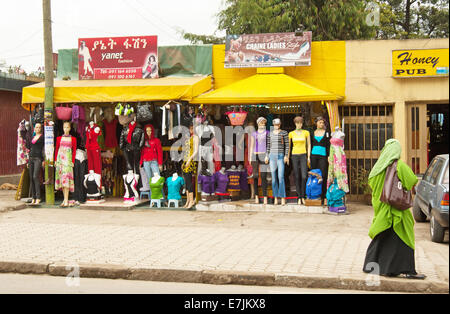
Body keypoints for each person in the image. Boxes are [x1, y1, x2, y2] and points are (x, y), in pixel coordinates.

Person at [362, 139, 426, 280]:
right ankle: (408, 270)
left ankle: (371, 265)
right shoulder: (399, 166)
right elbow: (411, 181)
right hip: (397, 208)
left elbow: (373, 185)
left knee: (382, 235)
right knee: (405, 237)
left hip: (382, 208)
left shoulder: (377, 169)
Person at [265, 118, 289, 205]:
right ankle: (275, 197)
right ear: (273, 125)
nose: (277, 126)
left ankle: (282, 197)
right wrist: (267, 156)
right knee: (274, 179)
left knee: (281, 177)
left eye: (278, 124)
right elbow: (268, 146)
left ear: (280, 124)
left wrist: (286, 155)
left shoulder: (284, 133)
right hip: (272, 156)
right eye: (275, 124)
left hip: (280, 156)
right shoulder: (270, 134)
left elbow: (287, 145)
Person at [288, 116, 311, 205]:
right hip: (294, 155)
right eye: (297, 123)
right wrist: (287, 156)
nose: (299, 124)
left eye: (301, 123)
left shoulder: (306, 132)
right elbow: (289, 147)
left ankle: (303, 195)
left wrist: (308, 156)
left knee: (304, 176)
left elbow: (309, 144)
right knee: (297, 176)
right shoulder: (291, 133)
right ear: (295, 123)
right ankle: (299, 197)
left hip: (303, 155)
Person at [55, 121, 77, 207]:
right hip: (60, 161)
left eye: (67, 127)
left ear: (70, 128)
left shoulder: (73, 139)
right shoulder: (59, 138)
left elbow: (74, 150)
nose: (66, 129)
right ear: (63, 128)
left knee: (66, 180)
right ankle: (65, 200)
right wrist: (56, 161)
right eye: (64, 127)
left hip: (68, 162)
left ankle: (66, 200)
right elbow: (56, 149)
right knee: (62, 181)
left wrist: (72, 161)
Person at [310, 116, 330, 205]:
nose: (321, 124)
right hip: (313, 155)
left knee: (323, 175)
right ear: (316, 123)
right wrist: (308, 157)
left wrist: (329, 155)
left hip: (323, 156)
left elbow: (328, 145)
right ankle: (314, 195)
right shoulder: (312, 133)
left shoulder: (326, 133)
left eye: (322, 123)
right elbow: (309, 144)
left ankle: (324, 196)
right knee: (314, 174)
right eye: (320, 122)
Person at [181, 123, 198, 209]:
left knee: (189, 181)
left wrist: (189, 159)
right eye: (190, 129)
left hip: (191, 160)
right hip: (186, 159)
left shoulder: (195, 138)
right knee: (186, 181)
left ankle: (191, 201)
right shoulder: (189, 137)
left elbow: (195, 151)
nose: (191, 130)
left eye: (192, 129)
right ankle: (188, 200)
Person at [27, 122, 44, 205]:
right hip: (31, 158)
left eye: (39, 127)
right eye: (36, 127)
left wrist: (43, 160)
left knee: (35, 176)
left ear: (41, 129)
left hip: (38, 158)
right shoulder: (33, 137)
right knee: (31, 177)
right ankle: (33, 197)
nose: (37, 129)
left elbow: (44, 149)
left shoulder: (42, 137)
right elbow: (30, 147)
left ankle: (38, 197)